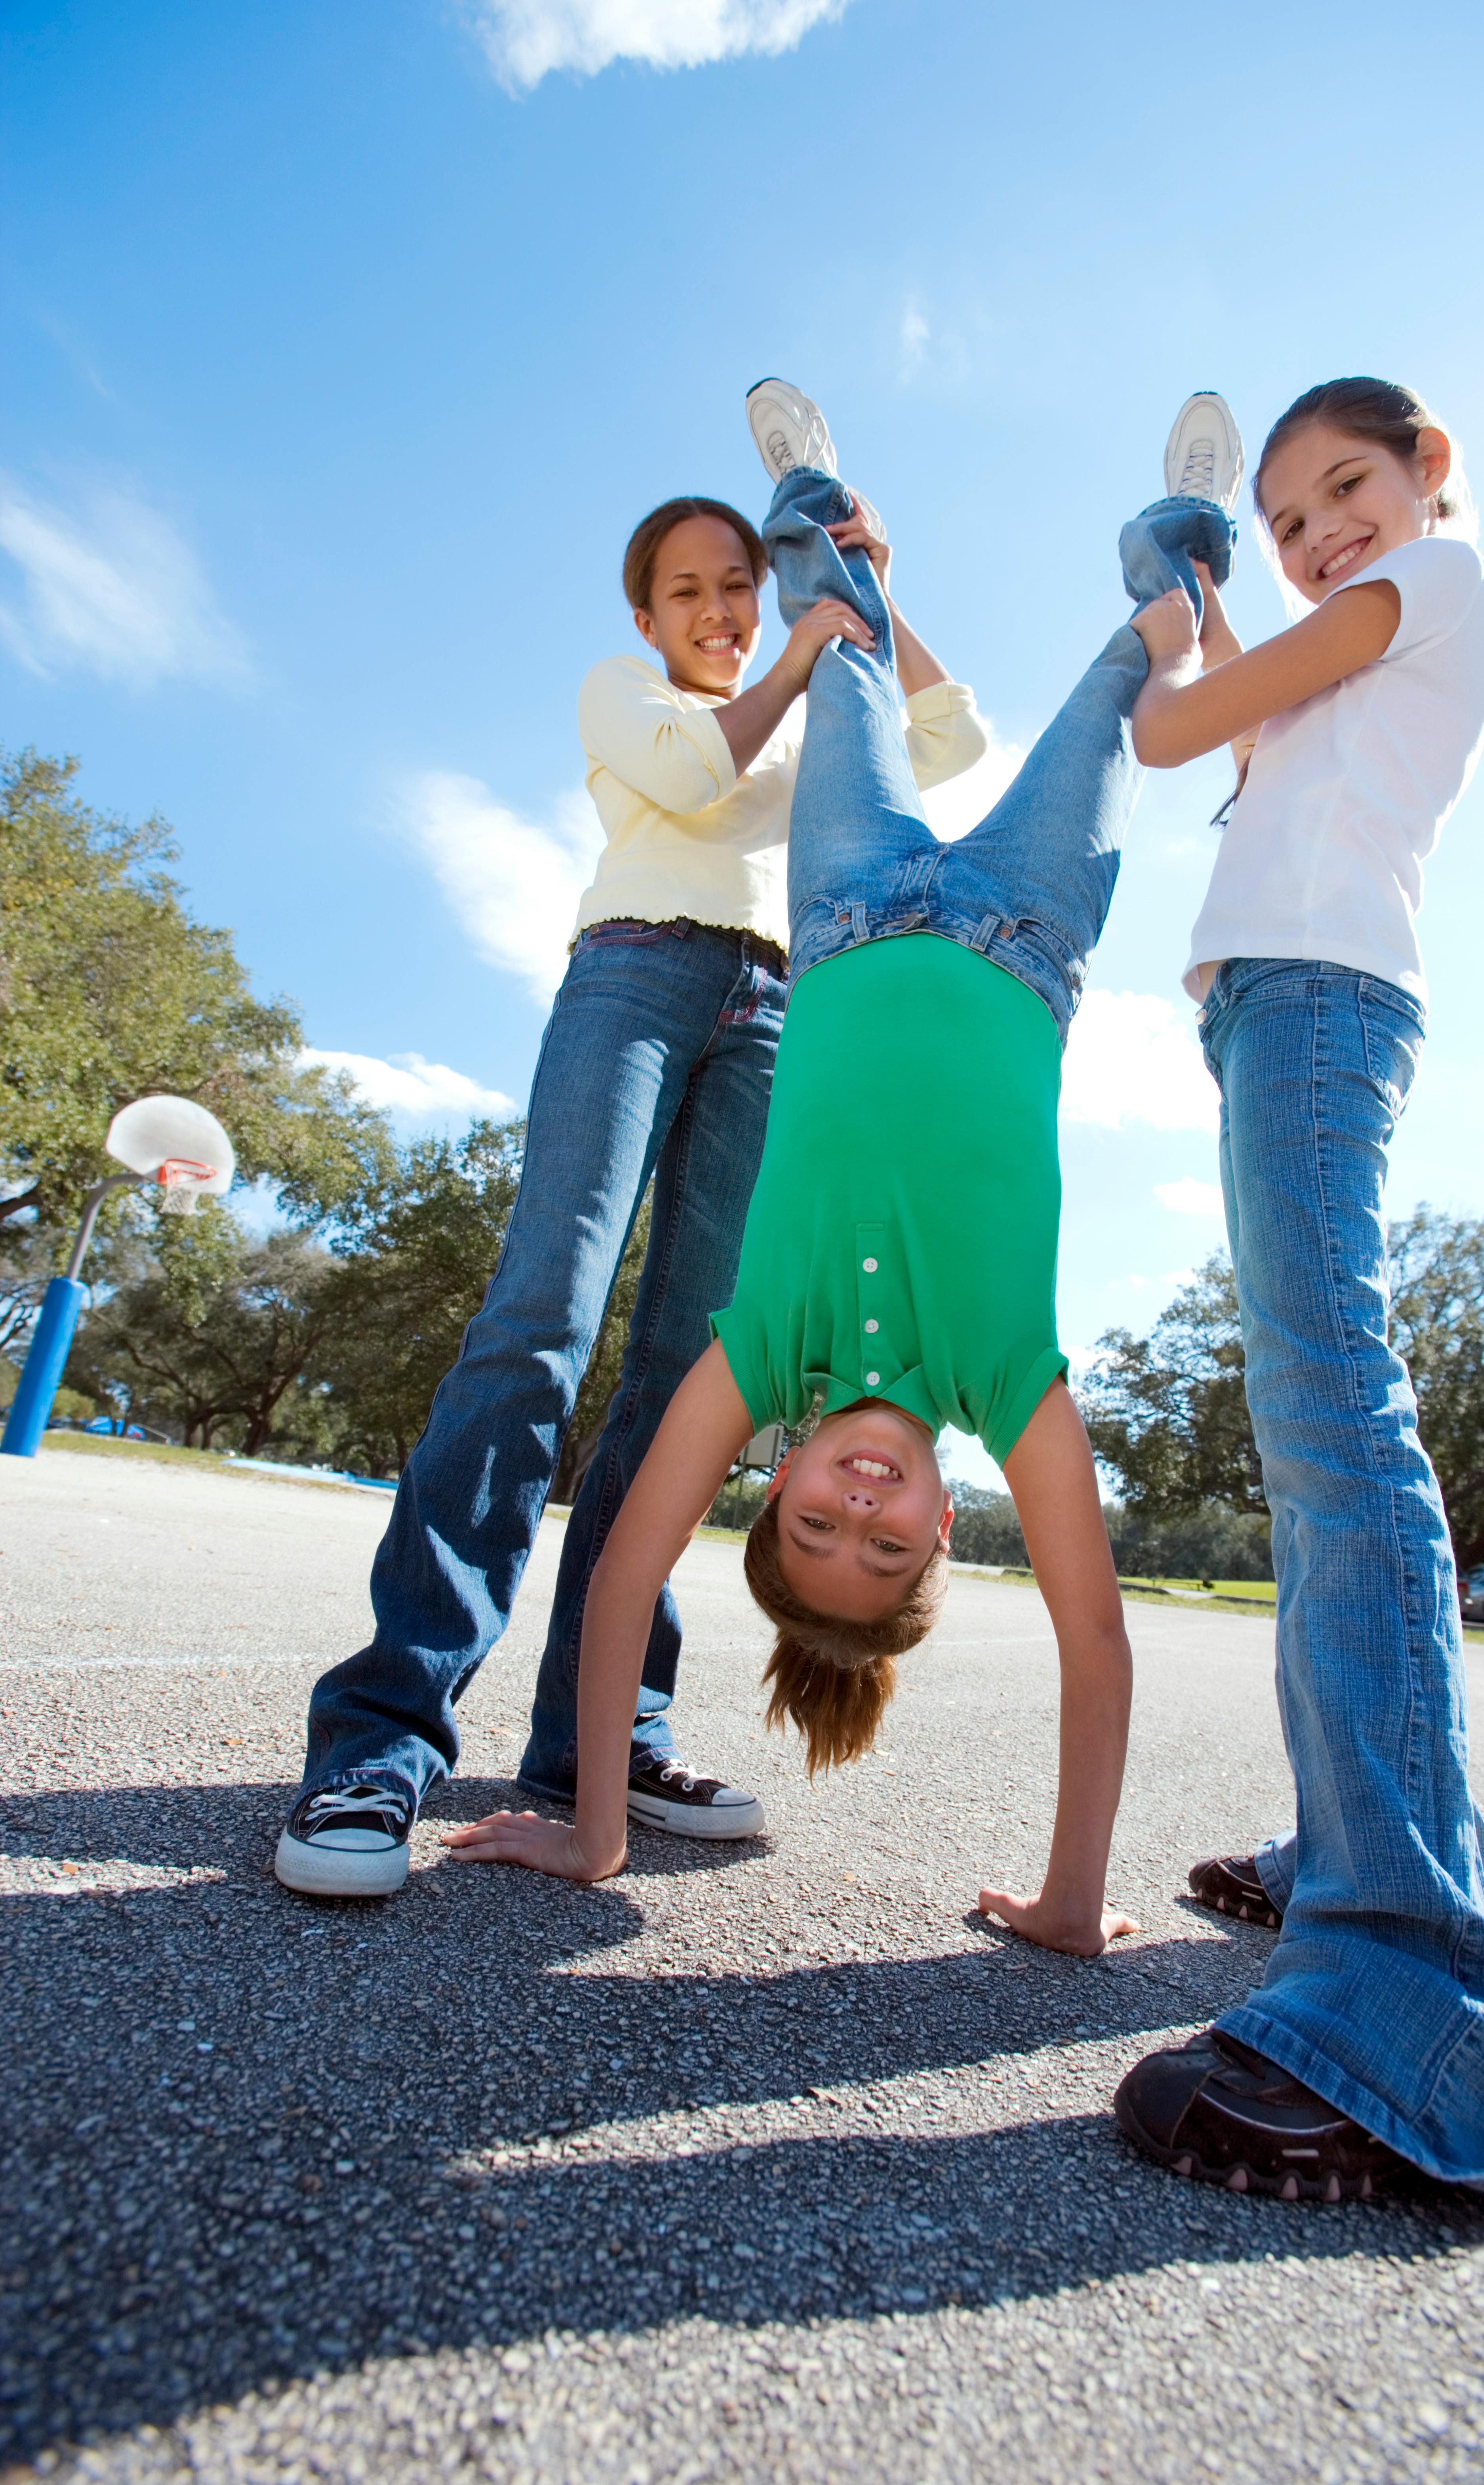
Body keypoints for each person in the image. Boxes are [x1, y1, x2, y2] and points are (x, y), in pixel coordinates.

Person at [441, 383, 1239, 1959]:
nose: (857, 1515)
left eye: (815, 1529)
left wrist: (596, 1835)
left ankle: (806, 493)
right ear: (950, 1524)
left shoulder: (757, 1357)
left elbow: (619, 1578)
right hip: (1027, 929)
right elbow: (1092, 1633)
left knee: (839, 644)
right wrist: (1074, 1902)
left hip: (850, 908)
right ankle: (1193, 527)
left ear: (777, 1481)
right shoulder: (1011, 1385)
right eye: (886, 1546)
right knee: (1140, 652)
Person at [275, 437, 987, 1898]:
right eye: (691, 592)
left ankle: (599, 1737)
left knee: (683, 1385)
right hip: (636, 980)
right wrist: (796, 649)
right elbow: (688, 770)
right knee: (542, 1319)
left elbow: (955, 742)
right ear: (650, 618)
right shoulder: (637, 698)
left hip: (779, 1010)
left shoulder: (812, 698)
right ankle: (380, 1735)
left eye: (740, 580)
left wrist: (869, 586)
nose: (721, 606)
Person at [1110, 380, 1484, 2203]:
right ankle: (1348, 1847)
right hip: (1275, 1007)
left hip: (1315, 1005)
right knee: (1311, 1437)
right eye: (1289, 519)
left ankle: (1410, 2006)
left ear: (1426, 475)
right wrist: (1212, 599)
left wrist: (1174, 596)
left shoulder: (1446, 584)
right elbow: (1242, 719)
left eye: (1344, 489)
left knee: (1336, 1436)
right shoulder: (1338, 659)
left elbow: (1169, 731)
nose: (1320, 534)